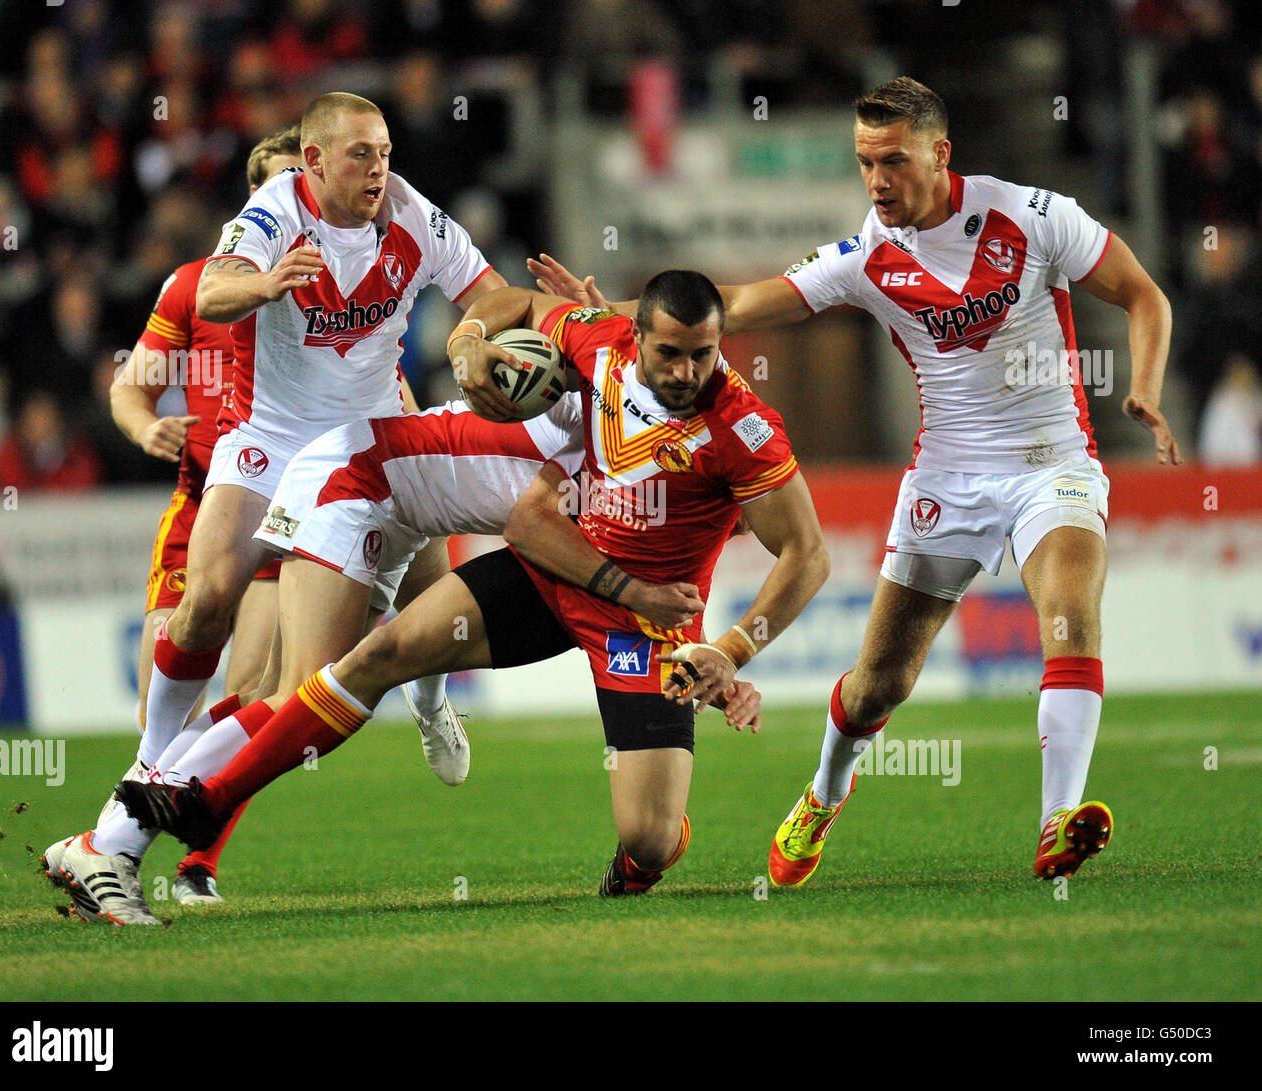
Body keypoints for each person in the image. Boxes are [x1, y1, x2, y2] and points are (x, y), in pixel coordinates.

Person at [518, 77, 1182, 884]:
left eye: (892, 161)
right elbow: (734, 301)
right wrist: (619, 316)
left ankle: (1056, 823)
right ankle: (824, 795)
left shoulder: (1035, 216)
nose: (876, 180)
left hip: (1055, 462)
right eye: (865, 162)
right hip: (948, 477)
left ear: (940, 155)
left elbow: (1143, 293)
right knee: (878, 685)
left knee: (1070, 618)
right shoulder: (868, 256)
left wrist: (1142, 383)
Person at [116, 271, 829, 900]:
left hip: (641, 631)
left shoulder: (744, 430)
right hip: (557, 574)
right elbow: (515, 302)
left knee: (648, 835)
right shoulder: (596, 340)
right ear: (635, 334)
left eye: (702, 353)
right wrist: (469, 345)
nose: (684, 370)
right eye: (669, 352)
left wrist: (733, 649)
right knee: (378, 653)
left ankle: (641, 863)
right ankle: (211, 798)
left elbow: (806, 555)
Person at [136, 90, 509, 813]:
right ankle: (151, 761)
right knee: (208, 598)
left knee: (433, 594)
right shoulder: (276, 209)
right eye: (360, 154)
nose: (379, 170)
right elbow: (210, 294)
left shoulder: (412, 213)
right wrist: (264, 282)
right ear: (312, 160)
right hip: (271, 439)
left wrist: (468, 335)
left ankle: (431, 704)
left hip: (367, 442)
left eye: (386, 152)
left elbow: (493, 292)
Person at [54, 127, 303, 908]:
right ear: (250, 203)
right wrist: (143, 426)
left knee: (261, 692)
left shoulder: (336, 294)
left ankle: (174, 859)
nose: (291, 201)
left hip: (282, 519)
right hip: (200, 508)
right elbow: (132, 384)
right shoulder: (195, 286)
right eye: (274, 186)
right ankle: (113, 842)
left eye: (302, 183)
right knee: (165, 721)